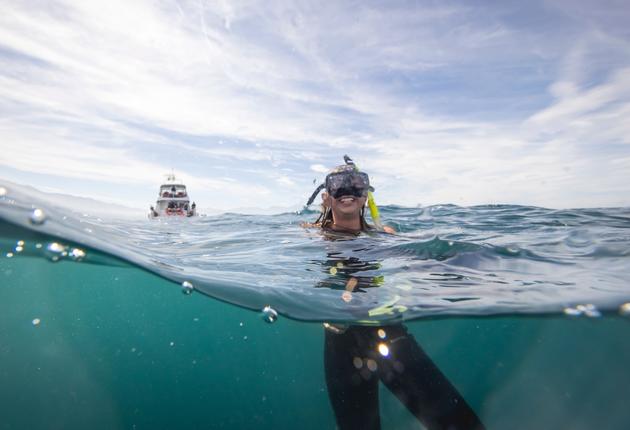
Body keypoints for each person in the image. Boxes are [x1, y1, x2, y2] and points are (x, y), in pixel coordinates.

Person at [304, 157, 484, 430]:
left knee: (460, 425)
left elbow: (415, 255)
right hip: (339, 342)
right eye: (338, 185)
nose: (347, 191)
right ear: (327, 197)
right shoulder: (311, 235)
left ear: (366, 196)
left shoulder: (383, 235)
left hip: (384, 331)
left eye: (356, 184)